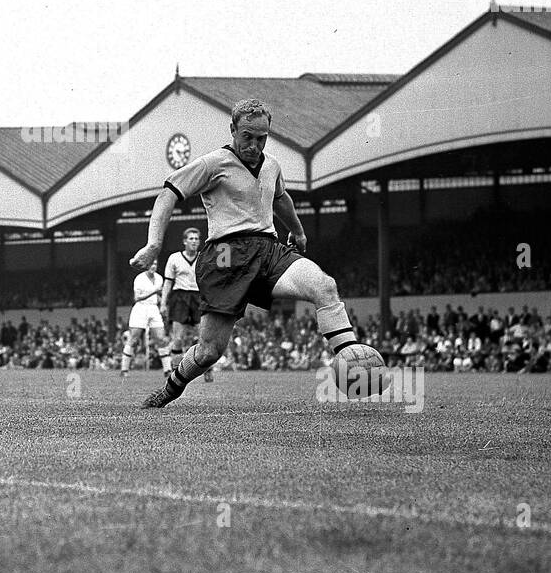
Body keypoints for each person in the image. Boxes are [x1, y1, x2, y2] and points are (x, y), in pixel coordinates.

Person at [130, 99, 369, 408]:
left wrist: (297, 231)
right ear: (232, 130)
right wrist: (154, 244)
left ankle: (357, 368)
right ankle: (171, 389)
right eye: (247, 136)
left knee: (325, 286)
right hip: (225, 256)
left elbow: (281, 199)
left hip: (268, 250)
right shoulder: (213, 163)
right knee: (209, 352)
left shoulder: (271, 166)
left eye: (261, 138)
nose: (255, 145)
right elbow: (168, 194)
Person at [161, 227, 209, 382]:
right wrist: (163, 303)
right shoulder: (174, 258)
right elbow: (168, 283)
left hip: (197, 296)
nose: (194, 241)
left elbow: (208, 282)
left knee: (203, 336)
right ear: (184, 241)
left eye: (196, 238)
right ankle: (175, 371)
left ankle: (207, 369)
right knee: (178, 337)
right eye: (191, 238)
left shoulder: (203, 258)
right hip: (180, 297)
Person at [121, 262, 167, 378]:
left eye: (155, 264)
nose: (153, 266)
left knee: (161, 339)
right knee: (134, 339)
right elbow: (136, 298)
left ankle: (168, 370)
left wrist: (162, 303)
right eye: (151, 264)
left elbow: (158, 295)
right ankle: (124, 369)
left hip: (153, 308)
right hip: (140, 308)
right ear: (146, 265)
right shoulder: (139, 278)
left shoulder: (159, 278)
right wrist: (154, 291)